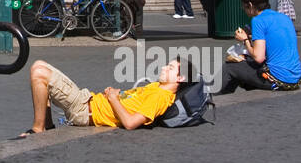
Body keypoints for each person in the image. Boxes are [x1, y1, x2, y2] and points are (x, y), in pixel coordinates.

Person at [22, 55, 191, 135]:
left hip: (83, 110)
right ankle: (48, 124)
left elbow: (131, 123)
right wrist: (115, 94)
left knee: (38, 73)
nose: (163, 68)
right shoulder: (158, 86)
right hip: (88, 99)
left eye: (170, 68)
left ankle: (38, 128)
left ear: (180, 78)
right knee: (39, 63)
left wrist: (112, 98)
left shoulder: (160, 97)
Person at [218, 0, 301, 94]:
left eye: (243, 6)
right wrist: (251, 36)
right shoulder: (283, 17)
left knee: (230, 68)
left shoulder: (258, 20)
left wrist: (245, 40)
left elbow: (259, 57)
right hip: (295, 79)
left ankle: (215, 99)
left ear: (250, 5)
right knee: (244, 62)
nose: (243, 9)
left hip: (277, 79)